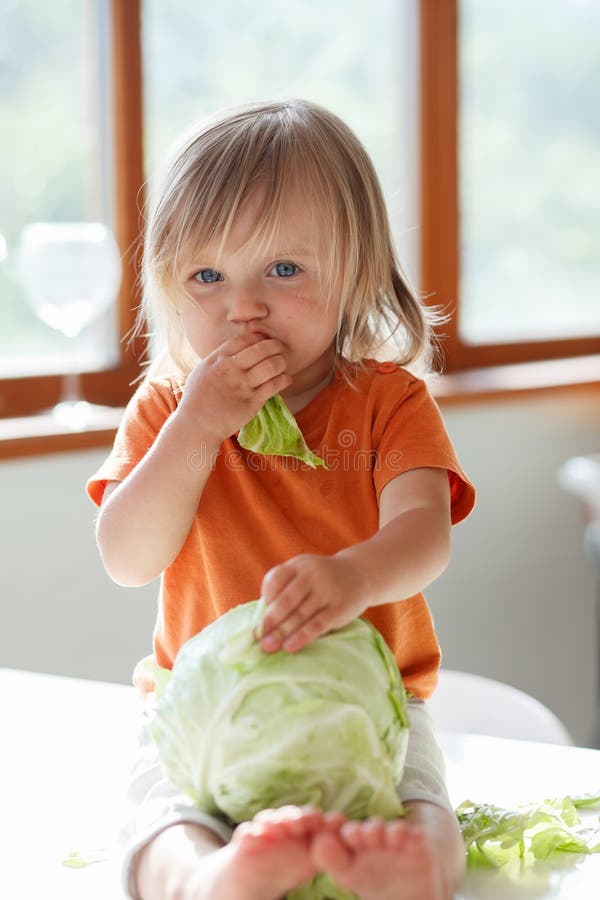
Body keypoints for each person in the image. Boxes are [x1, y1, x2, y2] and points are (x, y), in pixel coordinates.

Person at [87, 98, 476, 900]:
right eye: (207, 276)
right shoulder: (166, 409)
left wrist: (355, 579)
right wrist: (199, 425)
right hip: (199, 713)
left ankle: (414, 869)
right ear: (167, 283)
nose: (245, 306)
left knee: (426, 803)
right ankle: (206, 879)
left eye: (285, 270)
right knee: (156, 815)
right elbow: (127, 558)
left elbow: (425, 533)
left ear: (356, 272)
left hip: (368, 706)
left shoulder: (387, 402)